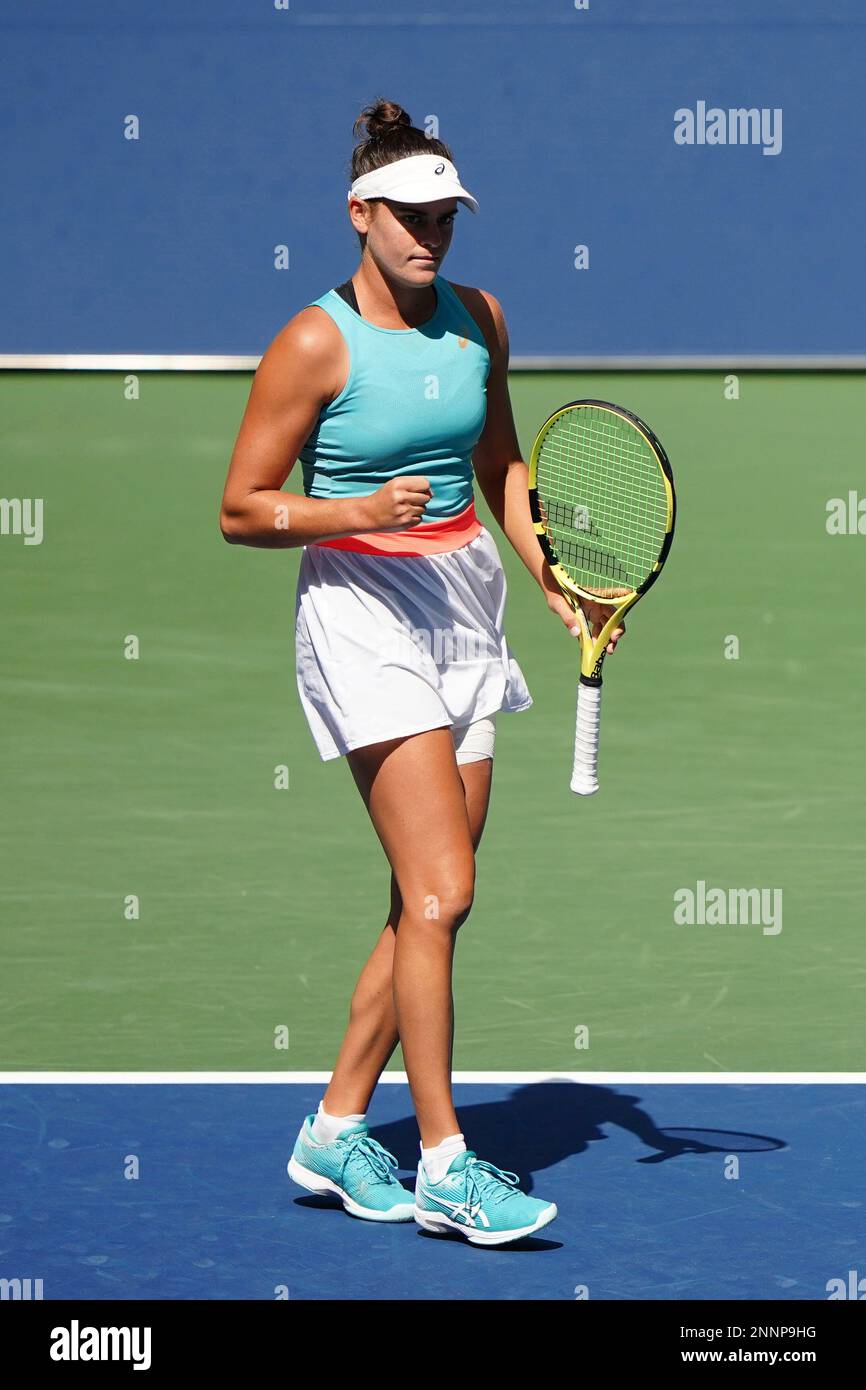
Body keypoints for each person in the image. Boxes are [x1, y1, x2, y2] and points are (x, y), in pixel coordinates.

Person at [219, 97, 624, 1247]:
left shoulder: (479, 318)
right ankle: (444, 1160)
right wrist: (352, 506)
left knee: (420, 907)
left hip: (463, 606)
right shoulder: (314, 343)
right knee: (446, 891)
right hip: (359, 614)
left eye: (444, 218)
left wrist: (553, 581)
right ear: (358, 212)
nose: (428, 237)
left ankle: (336, 1127)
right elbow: (239, 508)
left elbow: (499, 462)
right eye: (408, 216)